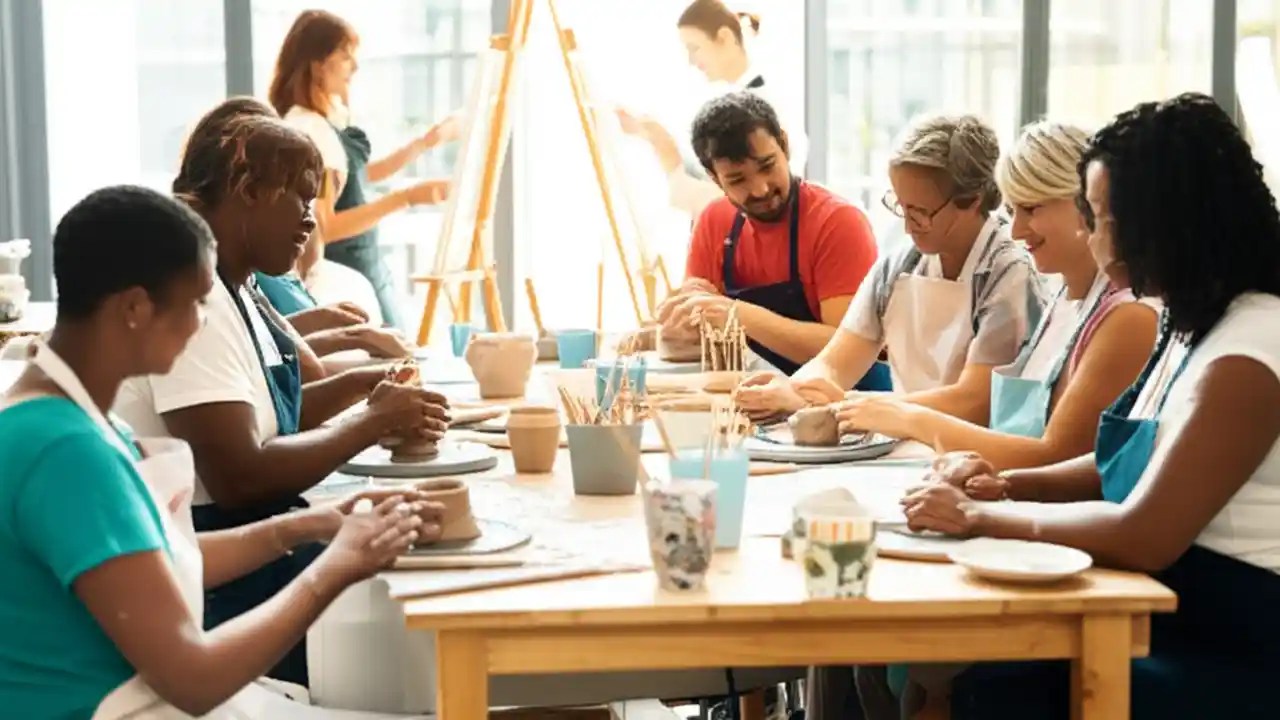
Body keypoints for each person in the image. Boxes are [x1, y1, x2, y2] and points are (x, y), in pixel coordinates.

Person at [902, 93, 1280, 719]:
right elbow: (1129, 461)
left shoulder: (1248, 351)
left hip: (1238, 634)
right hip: (1173, 600)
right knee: (989, 676)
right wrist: (1004, 486)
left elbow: (1145, 532)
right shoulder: (1195, 323)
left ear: (1164, 223)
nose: (1093, 234)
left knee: (1004, 689)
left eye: (1100, 216)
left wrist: (978, 516)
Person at [0, 184, 443, 717]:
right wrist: (338, 566)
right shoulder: (63, 449)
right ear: (135, 308)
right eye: (195, 303)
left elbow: (155, 563)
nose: (201, 323)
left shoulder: (69, 414)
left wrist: (309, 526)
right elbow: (194, 678)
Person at [112, 107, 450, 686]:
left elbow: (275, 413)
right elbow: (241, 476)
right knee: (412, 606)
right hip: (211, 575)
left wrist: (372, 397)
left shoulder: (235, 285)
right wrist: (370, 421)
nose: (312, 220)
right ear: (247, 191)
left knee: (418, 563)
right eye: (298, 197)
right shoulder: (196, 296)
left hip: (232, 536)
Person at [830, 121, 1159, 470]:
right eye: (1014, 211)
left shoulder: (1128, 317)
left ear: (1087, 203)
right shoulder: (1063, 299)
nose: (1016, 231)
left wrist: (910, 417)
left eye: (1031, 209)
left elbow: (1054, 457)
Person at [736, 113, 1049, 425]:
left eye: (921, 212)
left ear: (971, 200)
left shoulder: (1009, 275)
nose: (908, 226)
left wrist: (853, 404)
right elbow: (835, 363)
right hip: (907, 439)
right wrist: (798, 390)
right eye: (901, 206)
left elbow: (974, 401)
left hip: (980, 453)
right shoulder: (900, 265)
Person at [655, 92, 879, 383]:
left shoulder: (838, 223)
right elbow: (696, 342)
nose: (760, 189)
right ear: (714, 178)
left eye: (767, 166)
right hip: (758, 404)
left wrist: (736, 314)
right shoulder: (714, 221)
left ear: (784, 145)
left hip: (847, 404)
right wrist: (683, 318)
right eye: (737, 180)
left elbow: (848, 349)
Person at [181, 95, 414, 364]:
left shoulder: (243, 282)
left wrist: (335, 325)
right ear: (247, 188)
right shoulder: (202, 297)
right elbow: (291, 369)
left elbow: (275, 352)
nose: (311, 219)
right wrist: (353, 338)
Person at [270, 9, 457, 329]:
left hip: (364, 265)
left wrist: (424, 143)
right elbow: (326, 225)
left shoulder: (323, 123)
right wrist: (406, 198)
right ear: (317, 64)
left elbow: (361, 176)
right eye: (345, 56)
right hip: (347, 269)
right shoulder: (309, 130)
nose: (354, 67)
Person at [618, 0, 807, 217]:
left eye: (694, 48)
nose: (691, 61)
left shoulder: (764, 109)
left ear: (725, 37)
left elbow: (733, 197)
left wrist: (665, 148)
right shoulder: (736, 103)